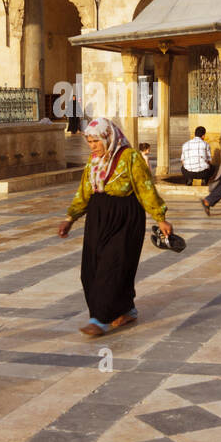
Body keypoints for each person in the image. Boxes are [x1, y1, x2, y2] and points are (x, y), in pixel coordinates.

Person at [58, 117, 173, 337]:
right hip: (98, 217)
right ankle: (126, 309)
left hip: (126, 217)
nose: (93, 146)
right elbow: (84, 191)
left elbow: (145, 187)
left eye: (96, 141)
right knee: (90, 269)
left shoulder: (130, 157)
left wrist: (160, 217)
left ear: (108, 137)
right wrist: (70, 218)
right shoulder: (93, 161)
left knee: (112, 266)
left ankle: (99, 320)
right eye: (90, 142)